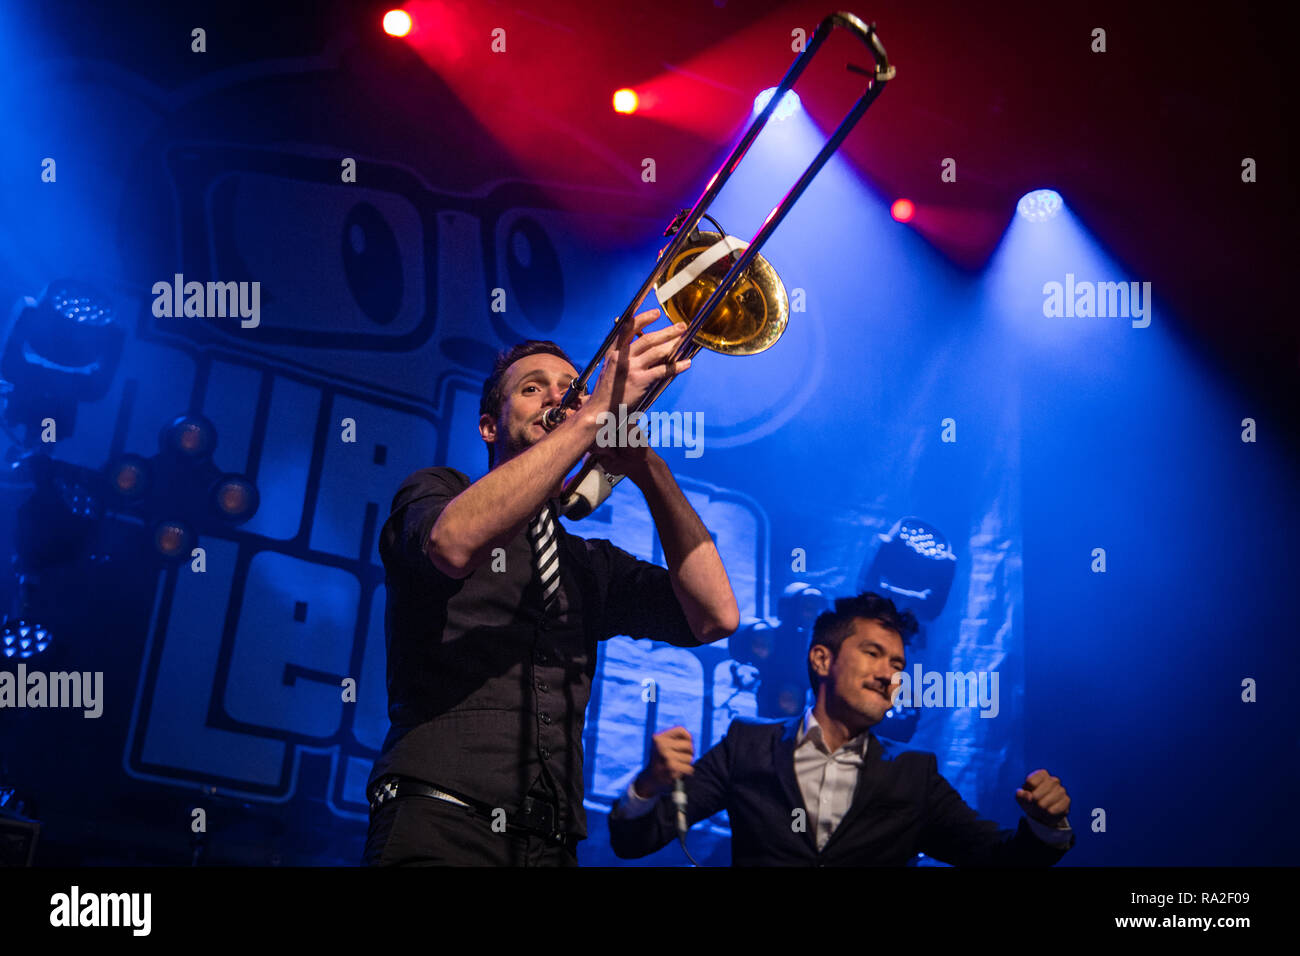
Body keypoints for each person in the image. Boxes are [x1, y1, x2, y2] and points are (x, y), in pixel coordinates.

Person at [362, 308, 739, 866]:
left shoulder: (590, 563)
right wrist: (588, 417)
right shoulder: (437, 491)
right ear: (489, 425)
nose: (556, 399)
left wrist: (645, 466)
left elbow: (716, 616)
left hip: (551, 846)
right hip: (438, 822)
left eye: (571, 388)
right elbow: (454, 545)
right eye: (533, 388)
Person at [608, 592, 1074, 866]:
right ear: (822, 659)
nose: (889, 673)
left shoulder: (915, 773)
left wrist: (1046, 825)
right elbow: (634, 841)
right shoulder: (746, 744)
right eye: (873, 653)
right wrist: (648, 785)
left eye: (897, 664)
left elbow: (999, 859)